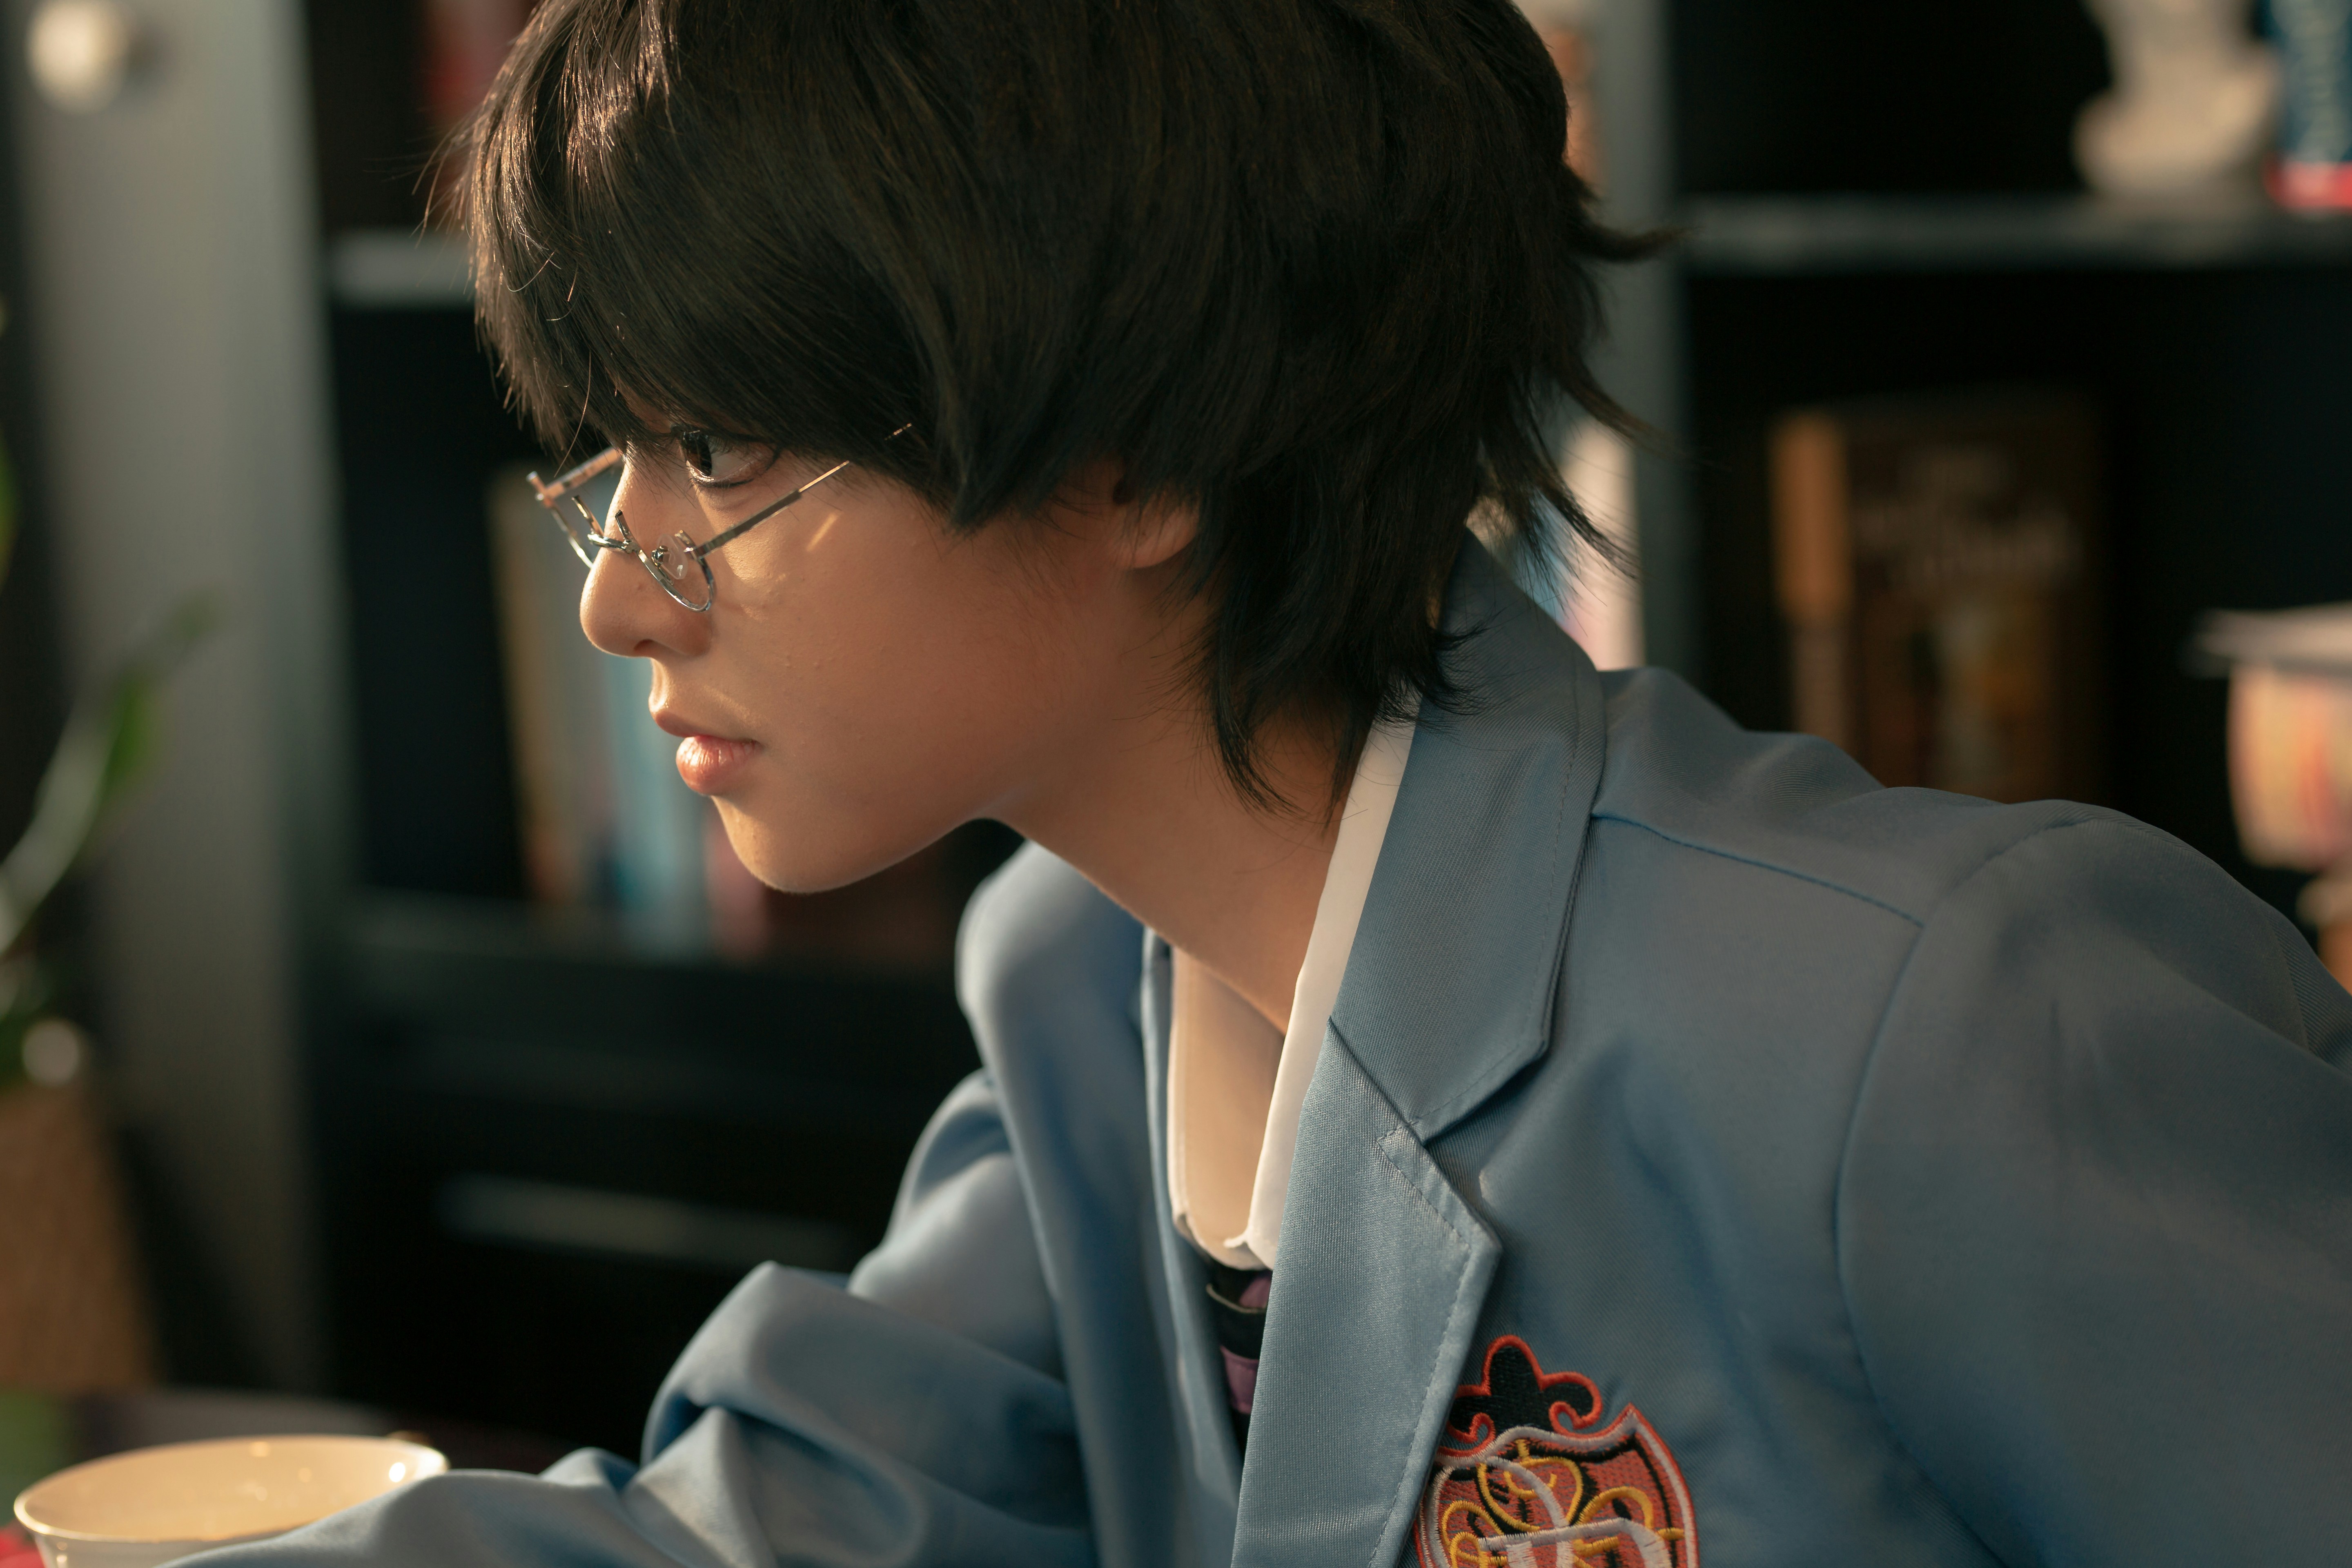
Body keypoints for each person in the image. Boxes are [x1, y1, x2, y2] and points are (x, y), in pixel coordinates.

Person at [211, 1, 2352, 1565]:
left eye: (730, 454)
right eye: (623, 458)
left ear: (1137, 459)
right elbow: (780, 1526)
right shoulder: (1079, 976)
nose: (624, 598)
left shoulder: (1941, 1014)